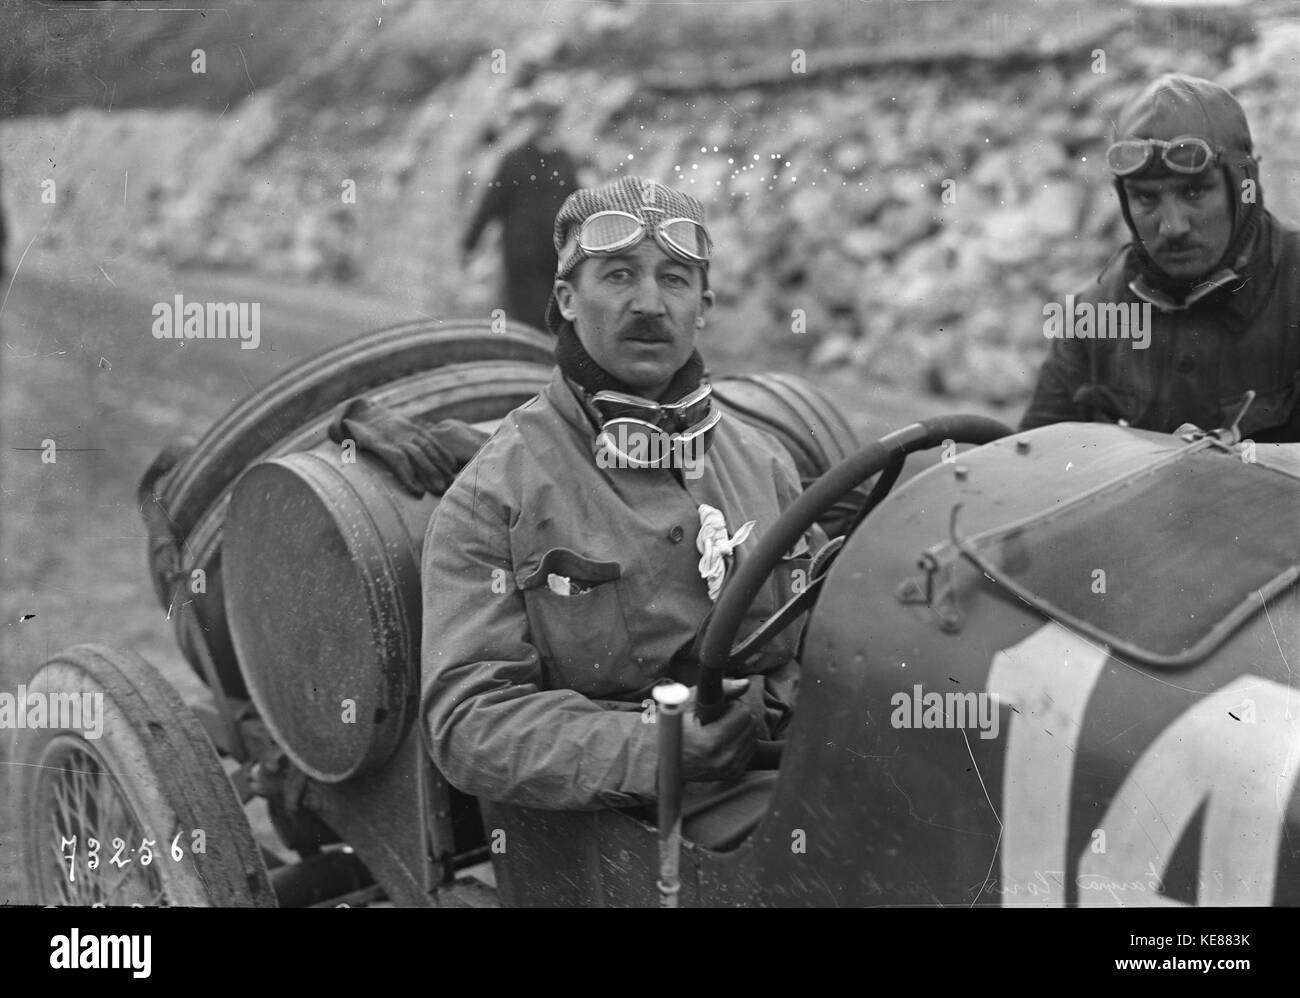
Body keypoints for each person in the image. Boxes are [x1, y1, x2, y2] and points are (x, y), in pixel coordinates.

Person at [421, 176, 823, 851]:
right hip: (624, 829)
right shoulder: (497, 495)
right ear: (565, 301)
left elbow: (827, 635)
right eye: (617, 275)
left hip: (789, 781)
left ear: (705, 306)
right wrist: (657, 750)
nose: (647, 304)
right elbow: (470, 725)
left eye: (674, 279)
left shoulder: (763, 462)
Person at [1020, 73, 1300, 442]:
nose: (1172, 227)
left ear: (1242, 186)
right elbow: (1033, 462)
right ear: (1125, 201)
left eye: (1195, 191)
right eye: (1146, 199)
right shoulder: (1097, 313)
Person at [460, 98, 579, 331]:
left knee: (550, 311)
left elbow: (576, 206)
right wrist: (470, 242)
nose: (547, 124)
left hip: (553, 253)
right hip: (521, 252)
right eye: (542, 118)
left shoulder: (565, 162)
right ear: (533, 121)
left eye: (551, 118)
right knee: (524, 312)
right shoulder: (515, 159)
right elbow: (492, 202)